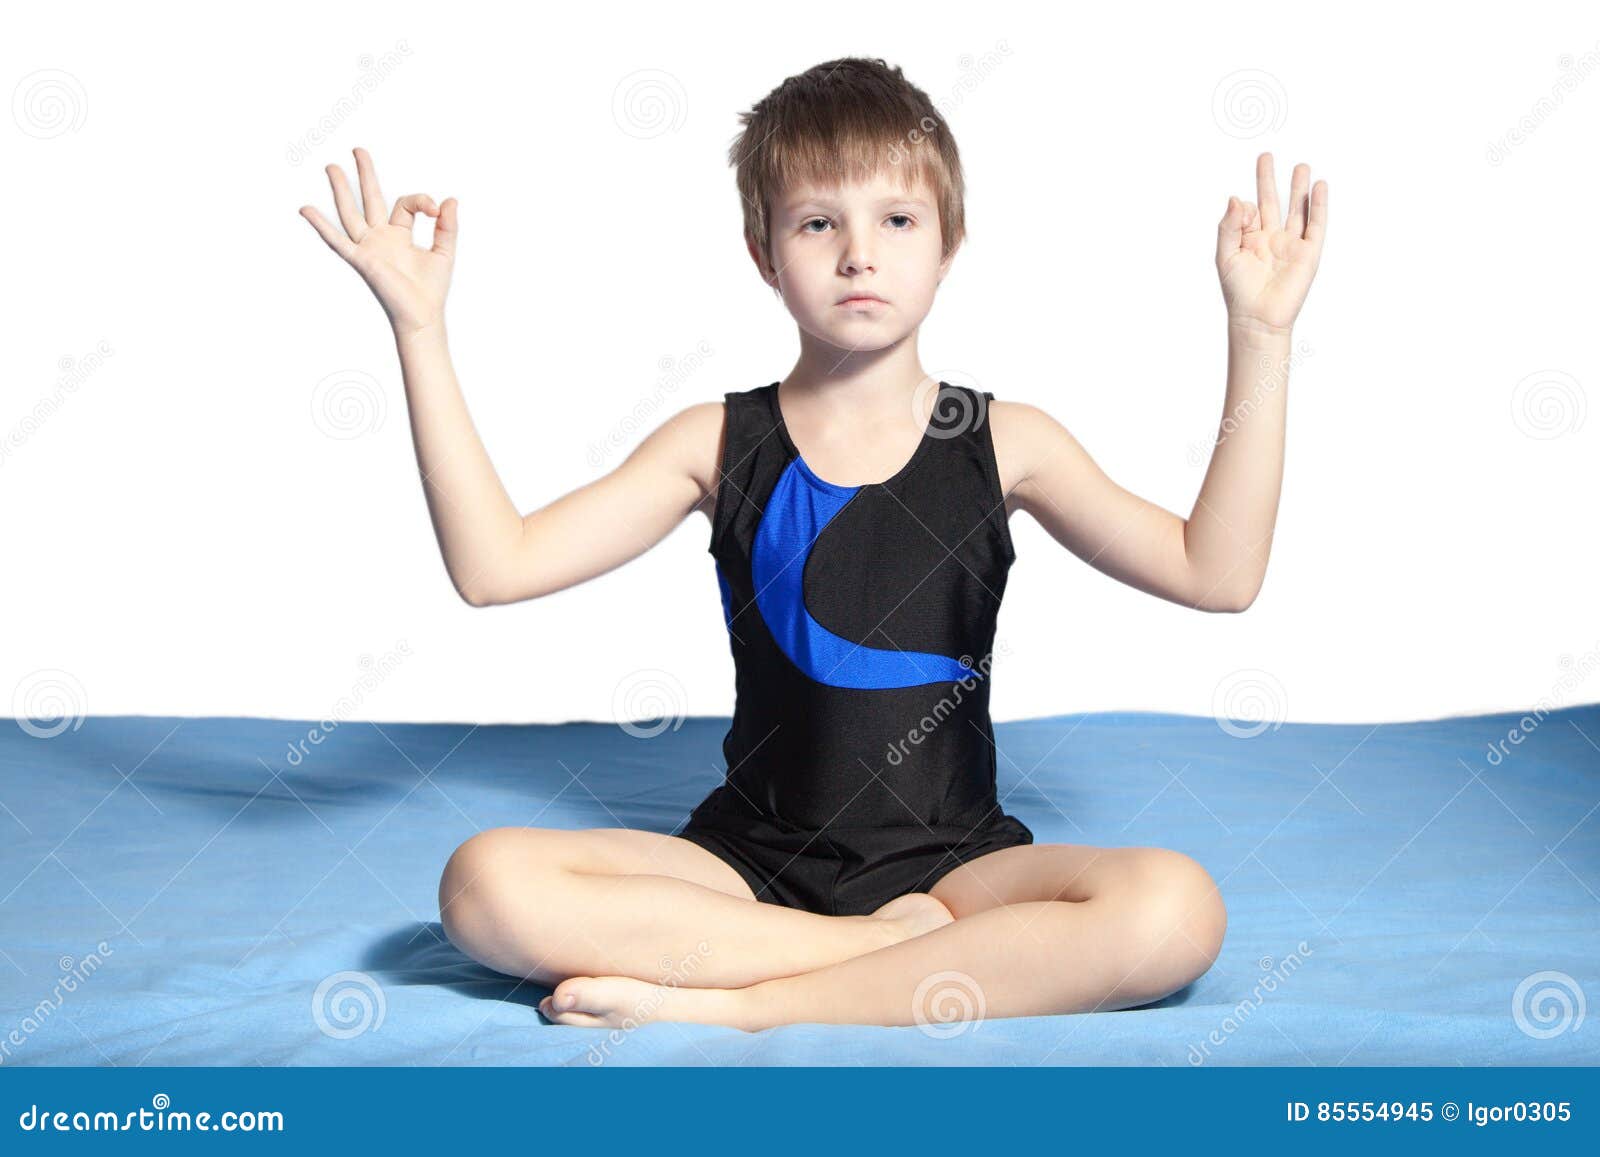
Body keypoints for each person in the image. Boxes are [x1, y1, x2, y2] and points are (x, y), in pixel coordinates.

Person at [298, 56, 1328, 1032]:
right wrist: (420, 330)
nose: (859, 252)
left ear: (948, 242)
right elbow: (496, 565)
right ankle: (861, 953)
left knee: (1176, 908)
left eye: (896, 217)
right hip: (749, 859)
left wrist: (1263, 337)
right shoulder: (716, 440)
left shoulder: (1005, 441)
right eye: (817, 221)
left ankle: (750, 997)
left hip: (954, 865)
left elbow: (1217, 571)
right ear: (764, 252)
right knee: (483, 883)